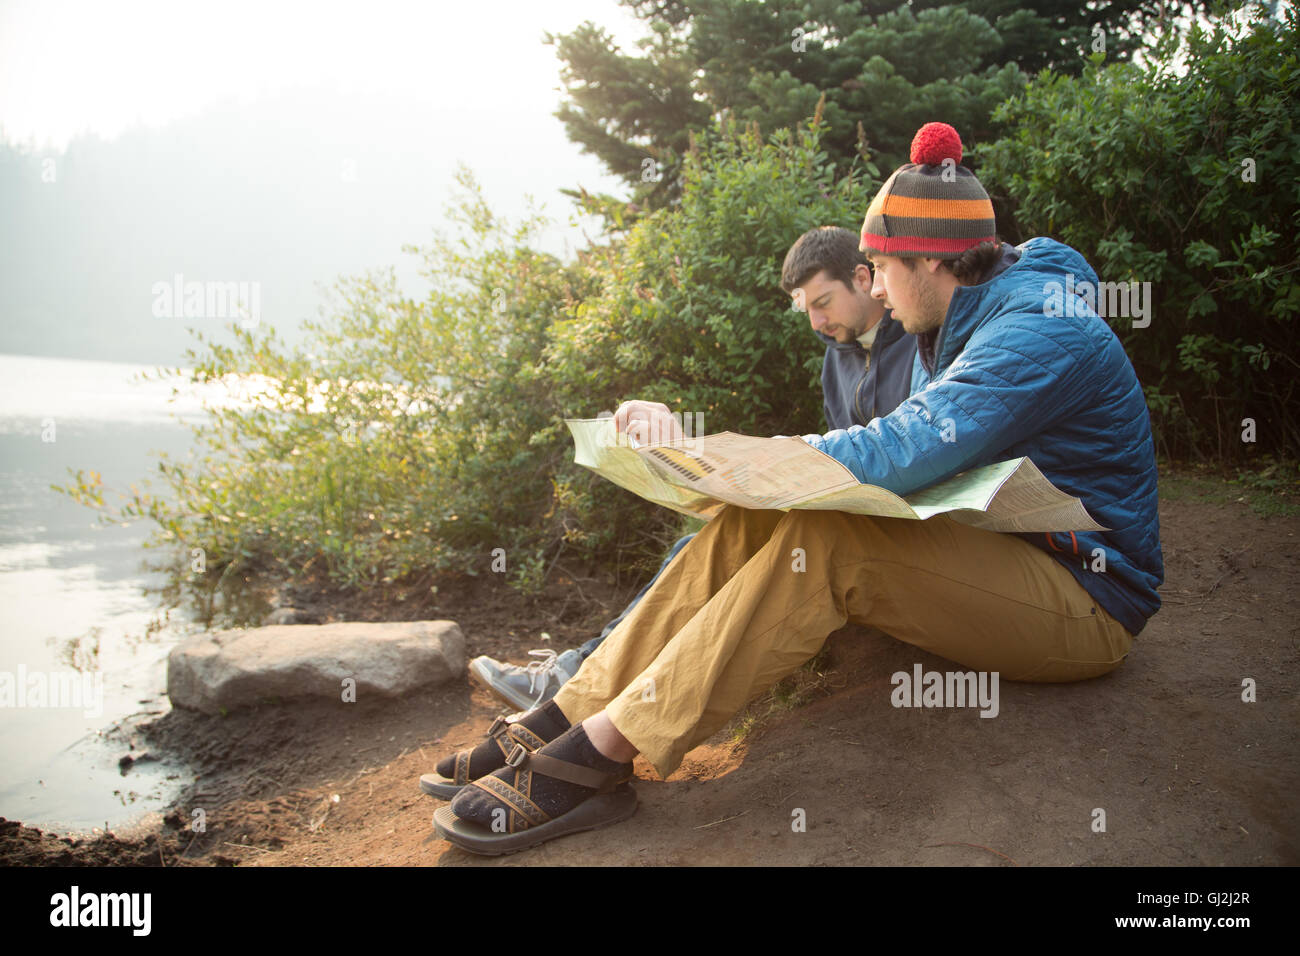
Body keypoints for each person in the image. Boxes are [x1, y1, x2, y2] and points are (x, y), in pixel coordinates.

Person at [425, 121, 1163, 855]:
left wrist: (738, 456)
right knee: (753, 522)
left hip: (1088, 598)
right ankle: (563, 718)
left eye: (875, 267)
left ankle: (603, 753)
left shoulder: (1033, 330)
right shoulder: (973, 314)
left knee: (832, 540)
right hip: (1007, 556)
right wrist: (739, 474)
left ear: (928, 262)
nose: (872, 287)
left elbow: (904, 447)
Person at [459, 225, 918, 715]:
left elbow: (900, 453)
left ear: (864, 278)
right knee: (703, 542)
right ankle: (576, 675)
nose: (815, 321)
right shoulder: (837, 359)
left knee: (739, 545)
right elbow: (834, 450)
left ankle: (576, 687)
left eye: (823, 302)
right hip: (840, 514)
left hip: (889, 534)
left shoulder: (918, 342)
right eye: (806, 309)